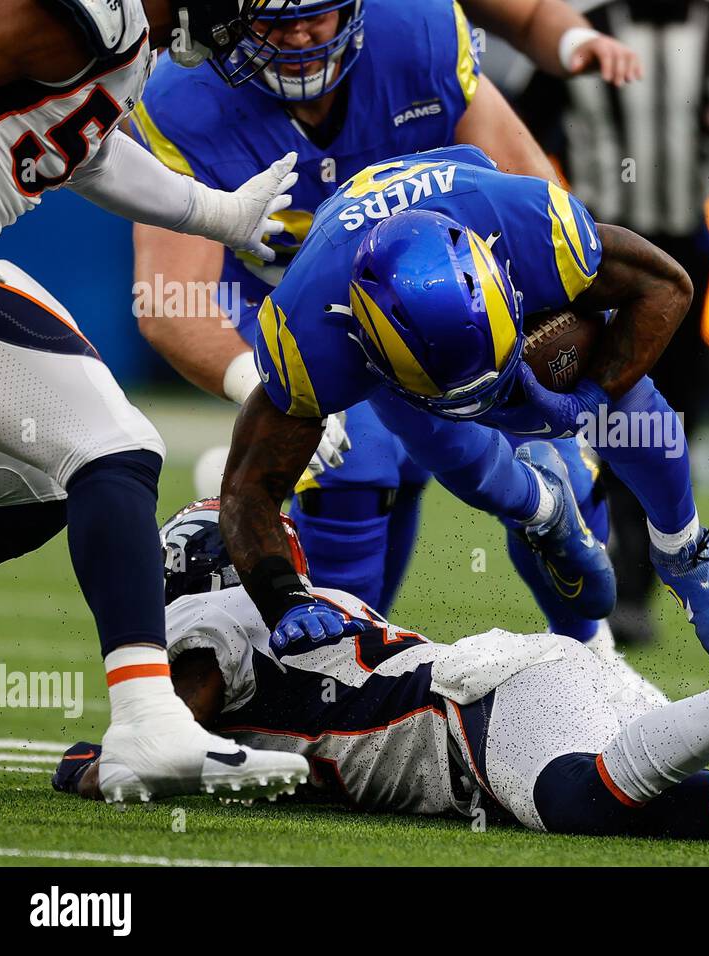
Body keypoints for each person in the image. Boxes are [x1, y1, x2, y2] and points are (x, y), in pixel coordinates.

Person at [54, 497, 709, 854]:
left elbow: (176, 733)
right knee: (674, 811)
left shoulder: (207, 616)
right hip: (519, 682)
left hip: (476, 708)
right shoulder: (280, 605)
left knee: (584, 800)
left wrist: (99, 765)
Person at [130, 0, 643, 625]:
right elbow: (169, 301)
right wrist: (261, 390)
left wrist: (541, 312)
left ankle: (591, 655)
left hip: (440, 290)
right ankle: (339, 674)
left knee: (560, 459)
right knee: (355, 466)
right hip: (286, 304)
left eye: (317, 14)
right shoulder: (185, 96)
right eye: (275, 19)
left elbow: (532, 194)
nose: (297, 34)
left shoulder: (414, 33)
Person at [219, 145, 709, 669]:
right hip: (380, 323)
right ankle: (539, 508)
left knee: (622, 398)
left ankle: (684, 547)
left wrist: (592, 396)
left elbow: (666, 285)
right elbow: (248, 490)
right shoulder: (311, 336)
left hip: (481, 253)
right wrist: (285, 597)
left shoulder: (529, 225)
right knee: (441, 443)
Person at [0, 0, 315, 803]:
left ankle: (146, 720)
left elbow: (82, 150)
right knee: (111, 445)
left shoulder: (125, 38)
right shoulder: (94, 11)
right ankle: (145, 720)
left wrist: (217, 213)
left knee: (36, 489)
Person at [513, 0, 709, 646]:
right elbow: (515, 132)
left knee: (669, 420)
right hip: (593, 259)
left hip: (685, 263)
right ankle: (600, 578)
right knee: (592, 422)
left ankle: (640, 581)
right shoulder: (575, 21)